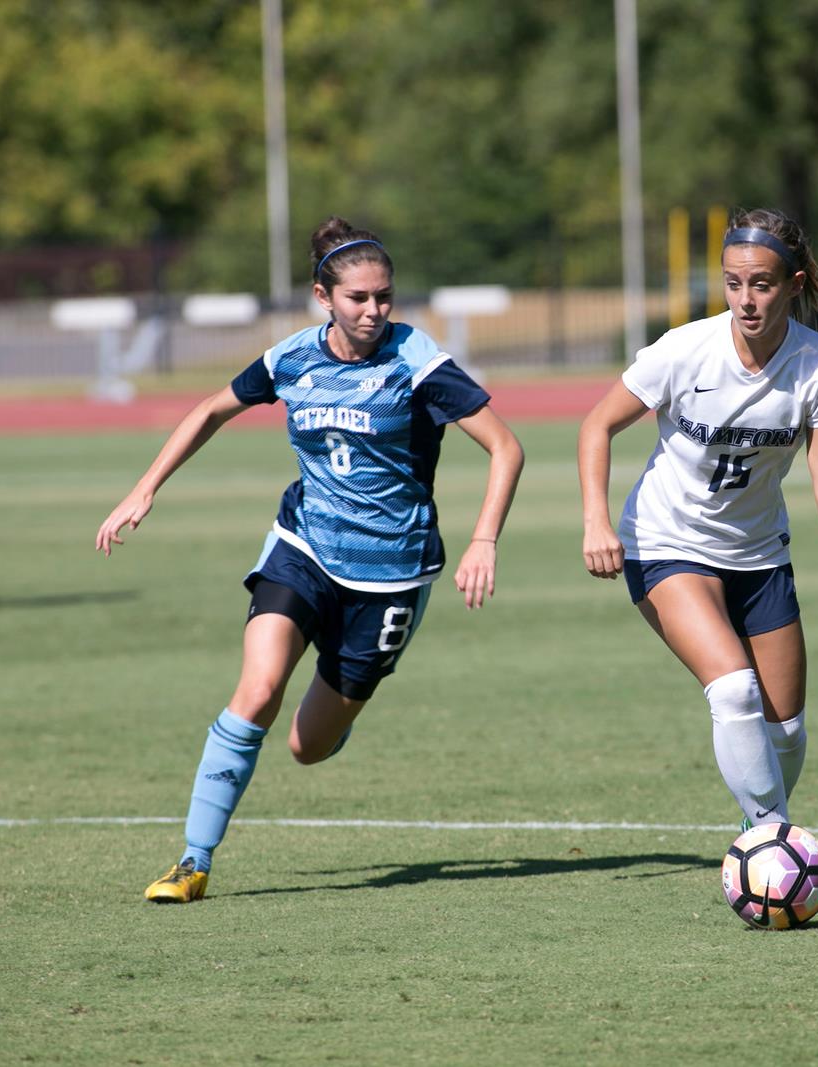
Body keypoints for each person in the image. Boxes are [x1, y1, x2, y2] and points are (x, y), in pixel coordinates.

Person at [97, 217, 525, 903]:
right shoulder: (292, 358)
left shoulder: (417, 361)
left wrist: (484, 539)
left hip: (392, 572)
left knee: (306, 746)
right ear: (323, 297)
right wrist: (144, 489)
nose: (374, 310)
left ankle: (336, 720)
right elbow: (210, 410)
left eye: (384, 296)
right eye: (358, 298)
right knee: (258, 690)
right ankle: (192, 861)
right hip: (303, 548)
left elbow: (506, 447)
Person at [578, 207, 818, 905]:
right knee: (734, 691)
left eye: (763, 284)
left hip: (759, 555)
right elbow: (596, 426)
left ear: (793, 284)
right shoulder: (685, 349)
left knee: (787, 731)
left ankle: (760, 828)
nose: (745, 299)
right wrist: (596, 521)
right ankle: (777, 852)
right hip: (666, 543)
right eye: (733, 282)